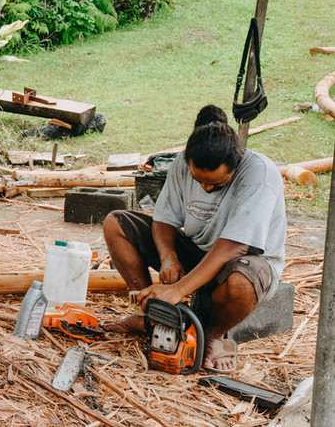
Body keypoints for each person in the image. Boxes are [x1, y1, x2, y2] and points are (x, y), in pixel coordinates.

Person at [101, 104, 285, 373]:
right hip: (198, 250)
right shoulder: (181, 163)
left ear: (235, 165)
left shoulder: (259, 174)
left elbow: (234, 247)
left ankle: (212, 336)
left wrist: (177, 290)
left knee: (240, 281)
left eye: (215, 184)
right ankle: (149, 317)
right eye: (199, 180)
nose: (205, 188)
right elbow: (164, 218)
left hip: (242, 261)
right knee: (115, 224)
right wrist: (168, 258)